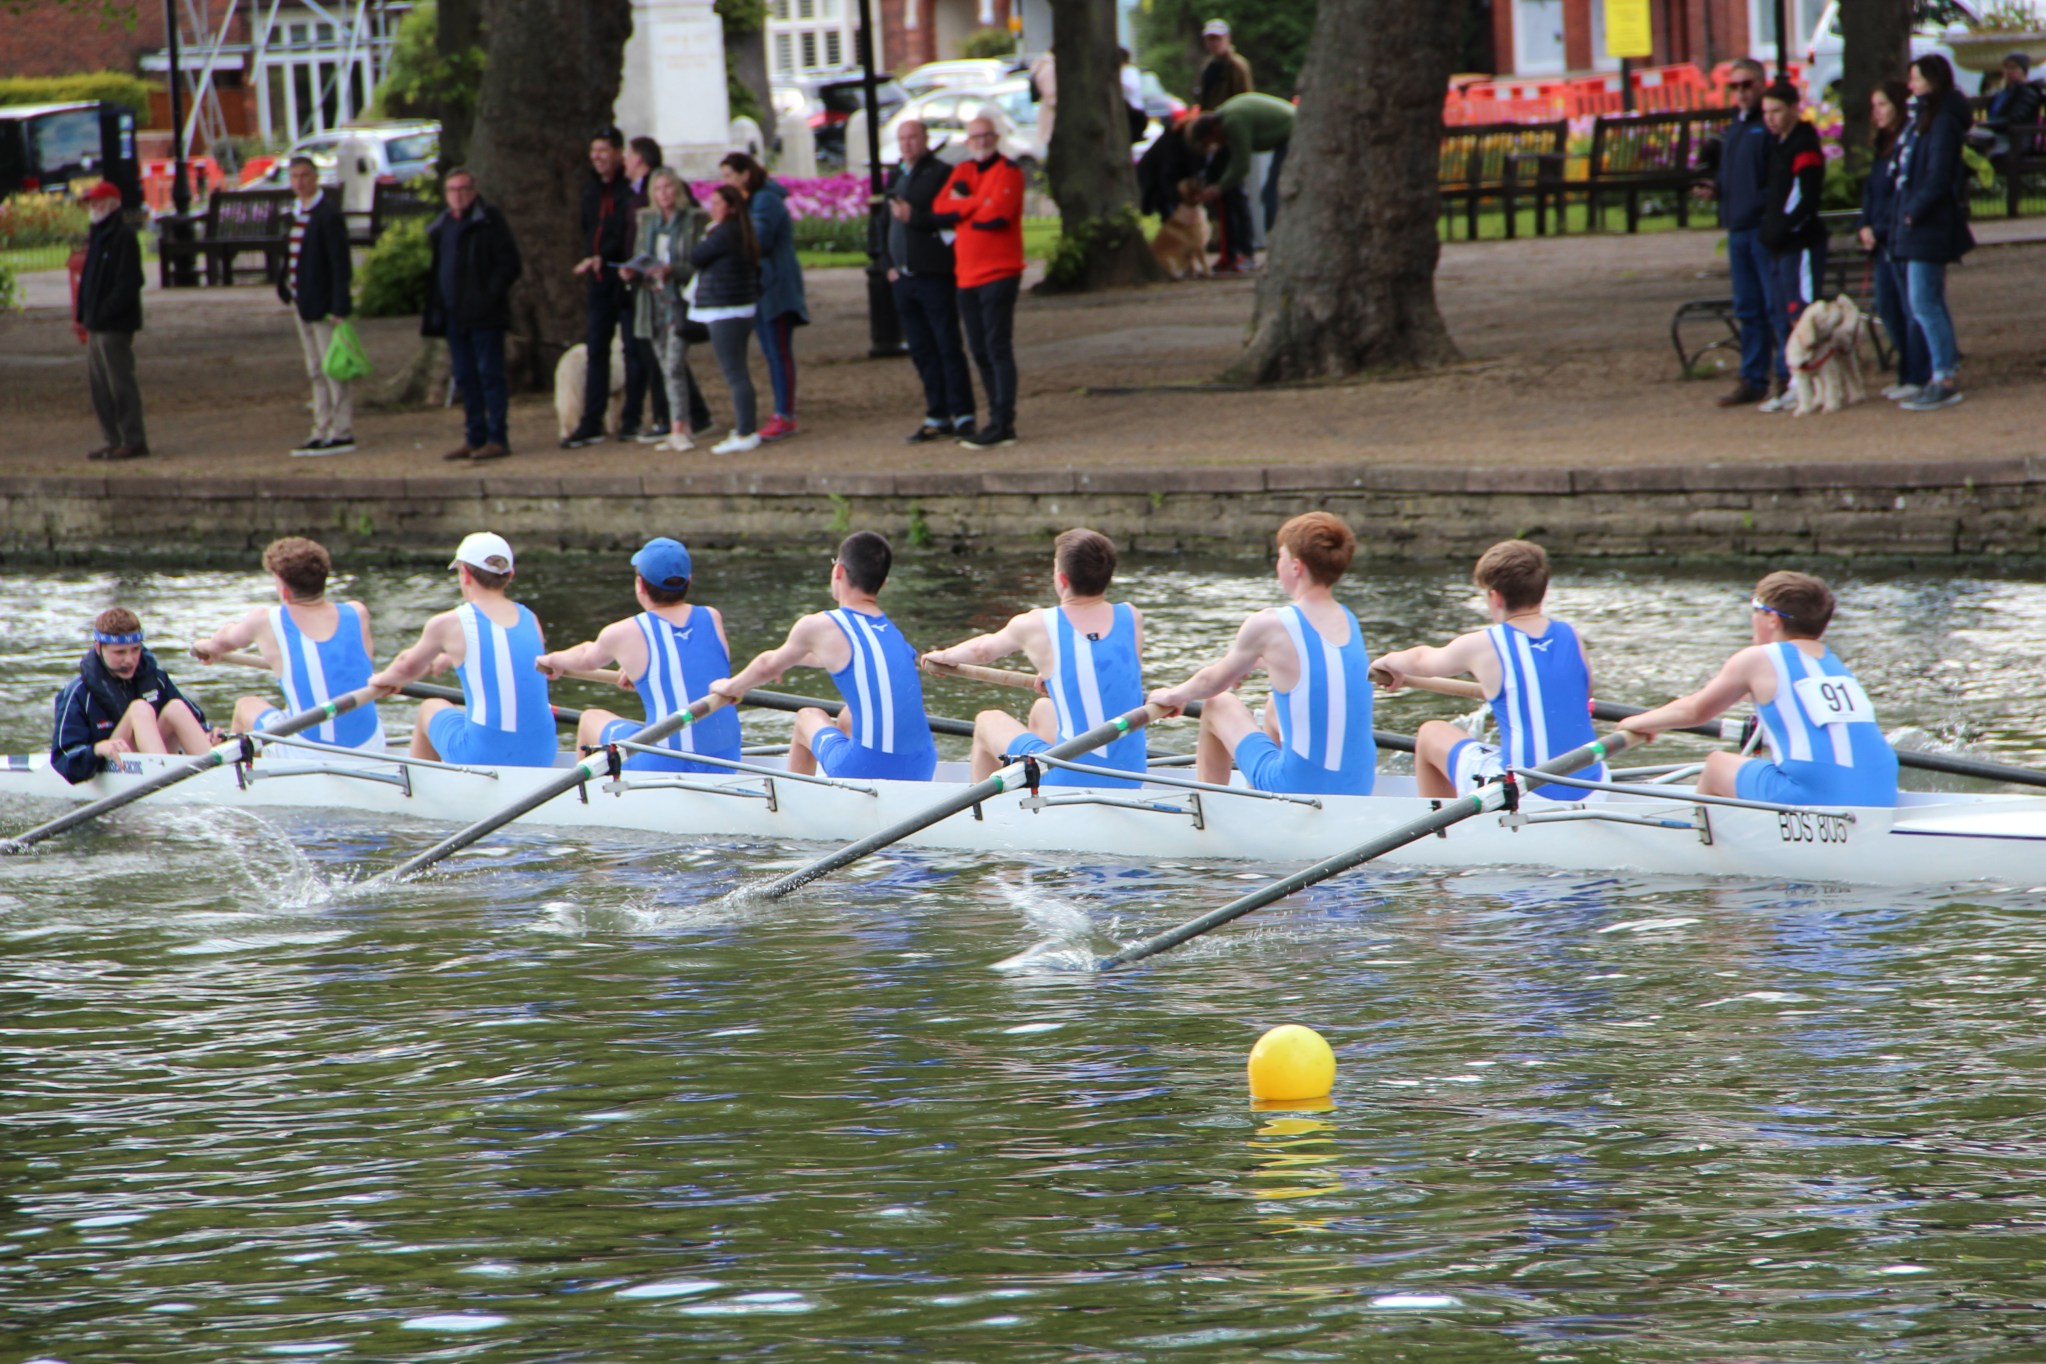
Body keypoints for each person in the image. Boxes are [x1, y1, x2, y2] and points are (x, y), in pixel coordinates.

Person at [1617, 571, 1897, 807]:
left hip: (1814, 795)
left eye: (1755, 607)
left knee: (1716, 765)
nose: (1752, 617)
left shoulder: (1757, 659)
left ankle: (1696, 841)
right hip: (1881, 791)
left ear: (1772, 619)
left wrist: (1638, 722)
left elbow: (1694, 711)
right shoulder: (1834, 663)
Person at [1146, 512, 1376, 796]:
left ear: (1295, 566)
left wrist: (1174, 695)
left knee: (1217, 704)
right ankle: (1258, 796)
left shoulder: (1270, 623)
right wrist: (1260, 662)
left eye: (1280, 556)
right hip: (1360, 785)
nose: (1278, 564)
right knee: (1273, 705)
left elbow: (1211, 683)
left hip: (1296, 787)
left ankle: (1206, 805)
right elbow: (1317, 668)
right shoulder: (1348, 619)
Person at [1369, 540, 1604, 802]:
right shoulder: (1571, 635)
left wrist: (1386, 662)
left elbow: (1422, 660)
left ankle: (1443, 824)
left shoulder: (1486, 644)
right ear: (1543, 590)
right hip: (1594, 787)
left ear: (1495, 597)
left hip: (1526, 794)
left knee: (1430, 733)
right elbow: (1585, 697)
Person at [922, 529, 1146, 788]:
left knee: (986, 721)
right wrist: (1057, 677)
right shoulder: (1131, 616)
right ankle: (1036, 791)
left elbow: (983, 651)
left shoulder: (1039, 624)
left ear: (1061, 578)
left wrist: (943, 655)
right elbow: (1109, 673)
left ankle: (985, 808)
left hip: (1072, 777)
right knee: (1043, 709)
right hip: (1133, 776)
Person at [711, 531, 937, 781]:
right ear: (883, 584)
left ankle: (793, 799)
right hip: (923, 765)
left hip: (866, 766)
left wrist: (731, 687)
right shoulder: (892, 632)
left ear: (838, 571)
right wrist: (789, 660)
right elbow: (838, 659)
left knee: (807, 717)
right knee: (847, 716)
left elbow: (766, 666)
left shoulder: (820, 625)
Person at [535, 537, 743, 773]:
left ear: (640, 585)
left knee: (591, 718)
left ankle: (584, 794)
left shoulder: (624, 632)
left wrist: (551, 660)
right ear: (689, 581)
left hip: (664, 765)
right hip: (727, 760)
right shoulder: (711, 617)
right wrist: (638, 670)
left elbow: (585, 659)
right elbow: (693, 668)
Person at [367, 532, 557, 766]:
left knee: (430, 707)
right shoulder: (531, 619)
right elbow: (508, 658)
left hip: (483, 756)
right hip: (542, 752)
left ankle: (416, 783)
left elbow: (406, 667)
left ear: (465, 574)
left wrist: (381, 680)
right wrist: (449, 657)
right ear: (510, 576)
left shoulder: (450, 623)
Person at [188, 536, 385, 751]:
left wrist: (202, 646)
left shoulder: (266, 620)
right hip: (372, 747)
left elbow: (221, 641)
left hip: (308, 752)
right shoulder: (357, 612)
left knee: (246, 705)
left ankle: (241, 769)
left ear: (284, 591)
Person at [935, 117, 1025, 449]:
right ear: (967, 141)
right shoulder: (962, 172)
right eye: (975, 137)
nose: (981, 141)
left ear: (996, 137)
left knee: (997, 345)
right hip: (967, 275)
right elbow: (940, 209)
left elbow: (997, 216)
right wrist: (977, 201)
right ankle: (995, 417)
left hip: (1000, 272)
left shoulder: (1009, 171)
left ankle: (1004, 422)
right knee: (979, 349)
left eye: (986, 135)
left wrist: (964, 205)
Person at [1891, 54, 1974, 413]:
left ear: (1932, 81)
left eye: (1916, 79)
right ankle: (1944, 369)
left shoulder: (1940, 122)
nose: (1911, 86)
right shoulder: (1926, 119)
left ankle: (1943, 376)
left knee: (1923, 301)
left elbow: (1938, 174)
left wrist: (1914, 210)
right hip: (1922, 222)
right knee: (1929, 300)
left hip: (1929, 225)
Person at [423, 165, 524, 462]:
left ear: (474, 191)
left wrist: (489, 295)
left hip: (485, 315)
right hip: (454, 314)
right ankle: (474, 435)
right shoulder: (443, 226)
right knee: (465, 377)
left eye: (464, 189)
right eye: (453, 190)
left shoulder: (489, 221)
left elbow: (510, 264)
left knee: (490, 375)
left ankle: (497, 437)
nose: (458, 195)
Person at [886, 118, 976, 443]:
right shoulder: (896, 175)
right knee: (921, 349)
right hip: (904, 276)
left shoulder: (941, 174)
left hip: (933, 274)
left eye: (912, 137)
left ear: (925, 139)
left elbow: (952, 215)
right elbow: (884, 222)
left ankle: (963, 412)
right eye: (902, 138)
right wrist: (887, 264)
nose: (907, 144)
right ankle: (937, 412)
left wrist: (916, 218)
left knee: (947, 344)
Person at [50, 607, 212, 784]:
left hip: (151, 762)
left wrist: (210, 734)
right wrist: (97, 748)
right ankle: (164, 781)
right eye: (120, 652)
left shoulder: (156, 678)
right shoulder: (78, 692)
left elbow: (197, 720)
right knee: (139, 709)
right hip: (112, 764)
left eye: (135, 649)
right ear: (98, 648)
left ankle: (214, 775)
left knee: (176, 707)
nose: (129, 660)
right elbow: (63, 758)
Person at [1697, 59, 1777, 408]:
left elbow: (1774, 179)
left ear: (1761, 85)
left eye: (1747, 85)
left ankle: (1787, 374)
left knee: (1773, 306)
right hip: (1738, 226)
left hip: (1760, 227)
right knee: (1747, 308)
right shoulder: (1736, 127)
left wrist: (1761, 208)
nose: (1741, 92)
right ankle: (1753, 378)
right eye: (1735, 86)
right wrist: (1717, 189)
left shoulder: (1767, 125)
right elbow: (1731, 174)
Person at [563, 127, 642, 448]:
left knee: (633, 349)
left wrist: (606, 255)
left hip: (623, 276)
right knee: (596, 348)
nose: (597, 157)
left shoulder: (628, 190)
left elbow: (624, 231)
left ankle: (632, 418)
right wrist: (591, 256)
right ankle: (592, 420)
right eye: (593, 151)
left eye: (603, 150)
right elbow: (589, 227)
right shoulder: (590, 189)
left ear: (619, 153)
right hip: (598, 280)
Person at [721, 152, 808, 442]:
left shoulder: (764, 201)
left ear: (745, 175)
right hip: (764, 285)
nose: (726, 182)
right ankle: (782, 412)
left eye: (729, 176)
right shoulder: (755, 201)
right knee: (772, 351)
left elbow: (758, 240)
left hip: (775, 286)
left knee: (778, 351)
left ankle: (785, 415)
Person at [624, 167, 710, 453]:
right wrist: (632, 271)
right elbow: (640, 257)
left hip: (679, 302)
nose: (663, 194)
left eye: (668, 187)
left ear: (677, 190)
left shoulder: (693, 221)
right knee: (665, 367)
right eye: (658, 189)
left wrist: (674, 270)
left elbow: (700, 262)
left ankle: (678, 427)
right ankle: (682, 424)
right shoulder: (647, 222)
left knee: (674, 365)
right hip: (652, 302)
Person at [1754, 81, 1827, 415]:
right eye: (1766, 112)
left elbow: (1807, 199)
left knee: (1802, 315)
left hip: (1800, 245)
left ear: (1794, 109)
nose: (1770, 118)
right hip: (1780, 245)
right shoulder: (1779, 145)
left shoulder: (1804, 146)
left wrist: (1784, 227)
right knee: (1783, 313)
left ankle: (1808, 382)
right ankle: (1792, 381)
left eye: (1777, 111)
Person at [1857, 81, 1931, 403]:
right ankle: (1906, 370)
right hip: (1881, 241)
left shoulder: (1907, 145)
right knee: (1888, 309)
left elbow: (1898, 195)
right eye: (1874, 106)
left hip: (1898, 238)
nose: (1877, 113)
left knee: (1910, 308)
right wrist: (1864, 225)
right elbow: (1871, 192)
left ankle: (1918, 373)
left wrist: (1882, 227)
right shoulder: (1882, 146)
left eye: (1882, 105)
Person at [279, 155, 355, 456]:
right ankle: (321, 427)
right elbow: (290, 255)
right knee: (314, 368)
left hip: (323, 303)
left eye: (305, 175)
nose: (300, 182)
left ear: (316, 177)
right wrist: (285, 286)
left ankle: (342, 429)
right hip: (302, 301)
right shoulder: (296, 214)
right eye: (295, 176)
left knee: (332, 367)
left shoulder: (327, 215)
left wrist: (339, 305)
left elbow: (340, 263)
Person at [75, 181, 147, 462]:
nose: (93, 207)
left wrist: (104, 312)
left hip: (114, 324)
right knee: (100, 386)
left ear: (112, 205)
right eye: (92, 203)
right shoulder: (97, 237)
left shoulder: (122, 236)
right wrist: (83, 315)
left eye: (98, 202)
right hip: (96, 323)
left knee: (120, 383)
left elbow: (129, 282)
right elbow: (88, 280)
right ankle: (112, 439)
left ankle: (132, 439)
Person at [690, 184, 763, 454]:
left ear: (730, 208)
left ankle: (746, 431)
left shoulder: (724, 233)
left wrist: (708, 233)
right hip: (740, 308)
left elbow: (697, 256)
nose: (712, 208)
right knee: (738, 370)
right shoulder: (741, 232)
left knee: (735, 373)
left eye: (717, 203)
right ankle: (745, 426)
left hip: (725, 309)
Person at [1190, 92, 1294, 273]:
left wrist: (1219, 188)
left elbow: (1241, 164)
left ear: (1214, 130)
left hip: (1292, 132)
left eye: (1212, 141)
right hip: (1287, 134)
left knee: (1270, 195)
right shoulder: (1225, 116)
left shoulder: (1233, 123)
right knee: (1270, 194)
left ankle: (1278, 253)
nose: (1217, 143)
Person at [620, 135, 670, 443]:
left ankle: (669, 417)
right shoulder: (634, 193)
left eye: (628, 155)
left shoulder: (651, 192)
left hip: (658, 285)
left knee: (660, 354)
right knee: (652, 353)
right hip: (640, 280)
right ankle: (678, 414)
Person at [1970, 52, 2042, 166]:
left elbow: (2015, 119)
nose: (2008, 71)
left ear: (2023, 70)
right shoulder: (2005, 92)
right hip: (1997, 136)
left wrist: (1986, 124)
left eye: (2013, 67)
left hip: (2013, 141)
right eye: (2006, 67)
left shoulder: (2027, 93)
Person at [1195, 18, 1254, 112]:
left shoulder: (1237, 66)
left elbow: (1245, 99)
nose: (1214, 43)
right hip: (1209, 116)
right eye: (1211, 39)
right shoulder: (1208, 65)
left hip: (1230, 116)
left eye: (1218, 39)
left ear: (1228, 39)